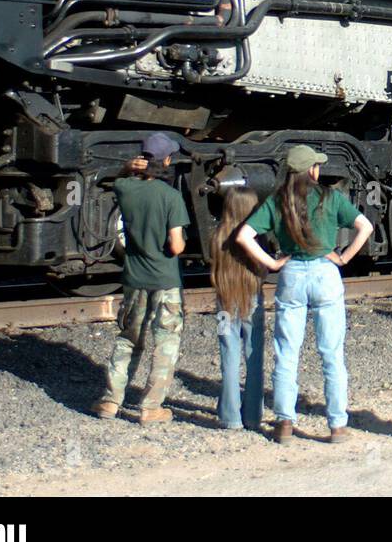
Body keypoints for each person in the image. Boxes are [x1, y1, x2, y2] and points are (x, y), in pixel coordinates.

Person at [236, 145, 374, 444]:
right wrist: (345, 257)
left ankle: (285, 423)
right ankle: (337, 425)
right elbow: (365, 226)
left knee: (287, 352)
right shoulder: (330, 197)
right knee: (331, 353)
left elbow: (243, 236)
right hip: (326, 273)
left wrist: (272, 263)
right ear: (312, 170)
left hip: (292, 275)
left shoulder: (277, 201)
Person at [93, 133, 190, 423]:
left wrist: (128, 167)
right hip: (165, 280)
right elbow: (176, 246)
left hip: (135, 278)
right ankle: (150, 407)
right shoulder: (171, 197)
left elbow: (119, 179)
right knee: (166, 343)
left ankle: (110, 402)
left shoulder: (126, 189)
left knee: (128, 339)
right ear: (168, 160)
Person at [210, 187, 266, 431]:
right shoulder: (256, 238)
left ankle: (230, 416)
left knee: (228, 355)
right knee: (254, 357)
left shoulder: (218, 236)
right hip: (252, 301)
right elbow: (263, 269)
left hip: (224, 304)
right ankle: (253, 415)